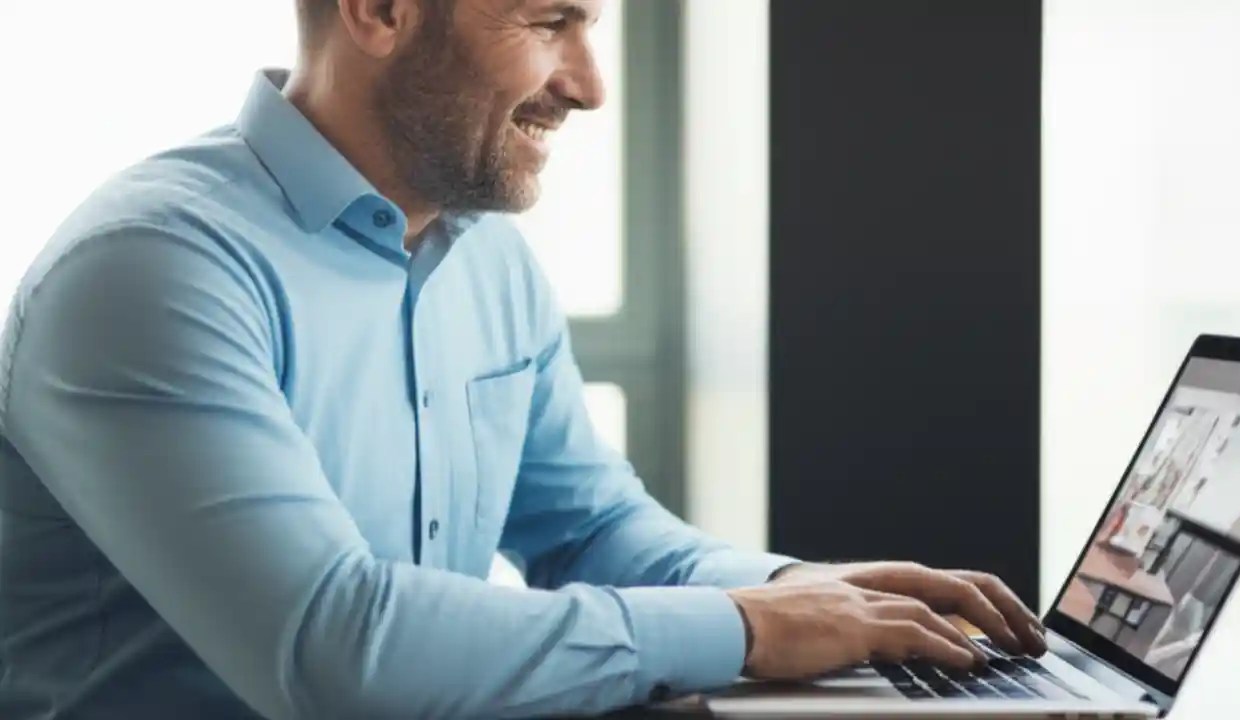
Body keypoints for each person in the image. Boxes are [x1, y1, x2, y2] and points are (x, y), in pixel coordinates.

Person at [0, 0, 1046, 717]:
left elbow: (591, 529)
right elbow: (334, 650)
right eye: (549, 22)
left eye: (591, 25)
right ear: (380, 11)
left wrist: (807, 593)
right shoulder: (152, 271)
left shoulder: (485, 258)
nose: (588, 86)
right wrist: (745, 626)